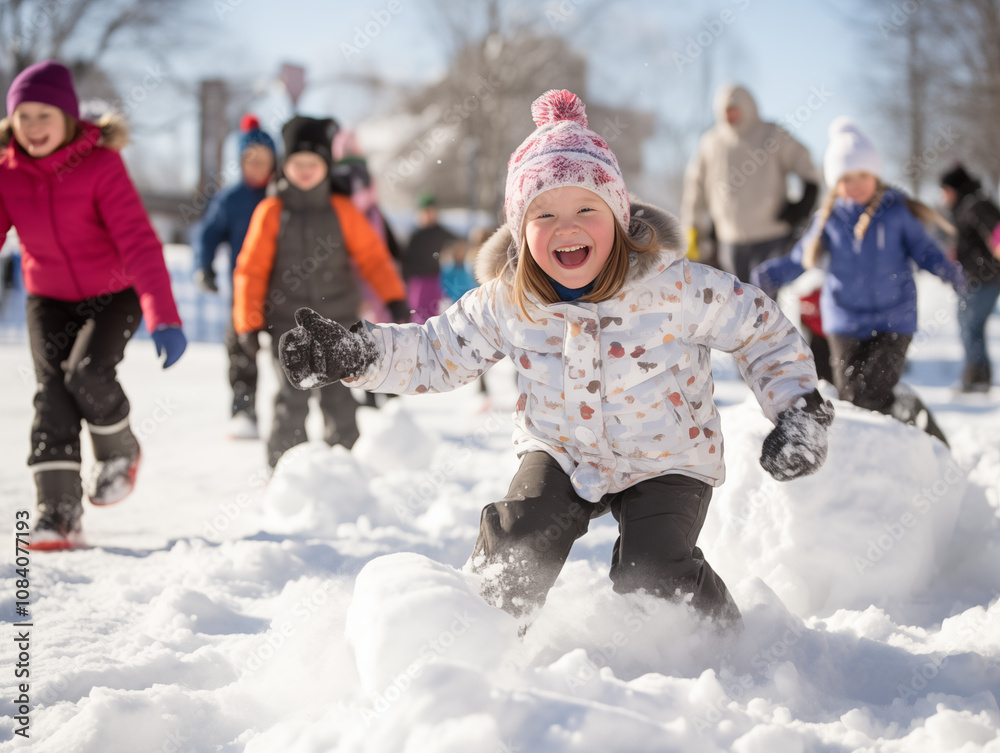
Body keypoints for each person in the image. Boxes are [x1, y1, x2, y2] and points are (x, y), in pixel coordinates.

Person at [277, 90, 834, 628]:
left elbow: (763, 329)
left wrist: (798, 408)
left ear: (617, 214)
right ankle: (478, 641)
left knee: (654, 571)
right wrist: (356, 352)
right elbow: (436, 351)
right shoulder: (509, 297)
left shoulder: (676, 287)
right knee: (518, 545)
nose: (566, 227)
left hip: (668, 454)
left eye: (586, 208)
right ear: (520, 230)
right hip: (562, 448)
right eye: (543, 215)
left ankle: (718, 645)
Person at [0, 61, 187, 549]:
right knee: (51, 393)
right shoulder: (6, 173)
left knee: (86, 373)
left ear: (68, 117)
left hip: (111, 294)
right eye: (24, 116)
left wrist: (162, 314)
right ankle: (59, 514)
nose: (34, 127)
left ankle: (119, 454)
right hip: (48, 298)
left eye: (45, 114)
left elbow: (140, 243)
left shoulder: (100, 165)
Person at [751, 117, 964, 445]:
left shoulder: (897, 213)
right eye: (846, 178)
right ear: (835, 182)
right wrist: (772, 274)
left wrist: (948, 270)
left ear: (875, 174)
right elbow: (800, 259)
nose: (855, 184)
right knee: (853, 399)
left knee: (873, 392)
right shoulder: (830, 220)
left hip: (895, 320)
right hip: (845, 322)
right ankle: (877, 451)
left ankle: (906, 420)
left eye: (862, 175)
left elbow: (925, 251)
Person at [232, 115, 409, 469]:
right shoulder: (271, 211)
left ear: (327, 166)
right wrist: (248, 324)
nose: (306, 170)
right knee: (290, 397)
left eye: (314, 163)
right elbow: (250, 271)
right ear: (286, 166)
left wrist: (393, 297)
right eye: (298, 163)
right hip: (288, 325)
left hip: (338, 320)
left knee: (340, 396)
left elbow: (373, 257)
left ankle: (344, 468)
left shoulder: (342, 210)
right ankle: (286, 472)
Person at [192, 114, 276, 439]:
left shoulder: (280, 195)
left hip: (284, 287)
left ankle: (294, 408)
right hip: (244, 293)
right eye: (249, 160)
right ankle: (244, 410)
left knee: (289, 349)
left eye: (263, 160)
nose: (256, 166)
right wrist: (204, 266)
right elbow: (207, 235)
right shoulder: (231, 199)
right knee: (240, 350)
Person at [682, 84, 819, 281]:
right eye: (726, 112)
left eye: (735, 110)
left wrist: (804, 203)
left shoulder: (772, 134)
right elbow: (695, 185)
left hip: (772, 235)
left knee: (765, 298)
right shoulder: (711, 142)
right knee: (736, 299)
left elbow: (805, 164)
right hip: (729, 239)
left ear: (748, 108)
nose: (731, 116)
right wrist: (692, 224)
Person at [939, 163, 1000, 393]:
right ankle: (976, 374)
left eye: (945, 190)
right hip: (975, 279)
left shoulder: (976, 204)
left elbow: (996, 229)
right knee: (969, 324)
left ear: (954, 188)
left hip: (986, 279)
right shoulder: (964, 207)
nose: (943, 196)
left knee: (970, 324)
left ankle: (977, 377)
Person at [401, 192, 458, 323]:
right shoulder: (415, 235)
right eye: (425, 212)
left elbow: (456, 241)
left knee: (432, 315)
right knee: (417, 313)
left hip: (434, 279)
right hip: (417, 281)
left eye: (430, 211)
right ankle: (417, 336)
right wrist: (405, 279)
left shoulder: (440, 232)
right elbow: (405, 259)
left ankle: (430, 339)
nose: (428, 215)